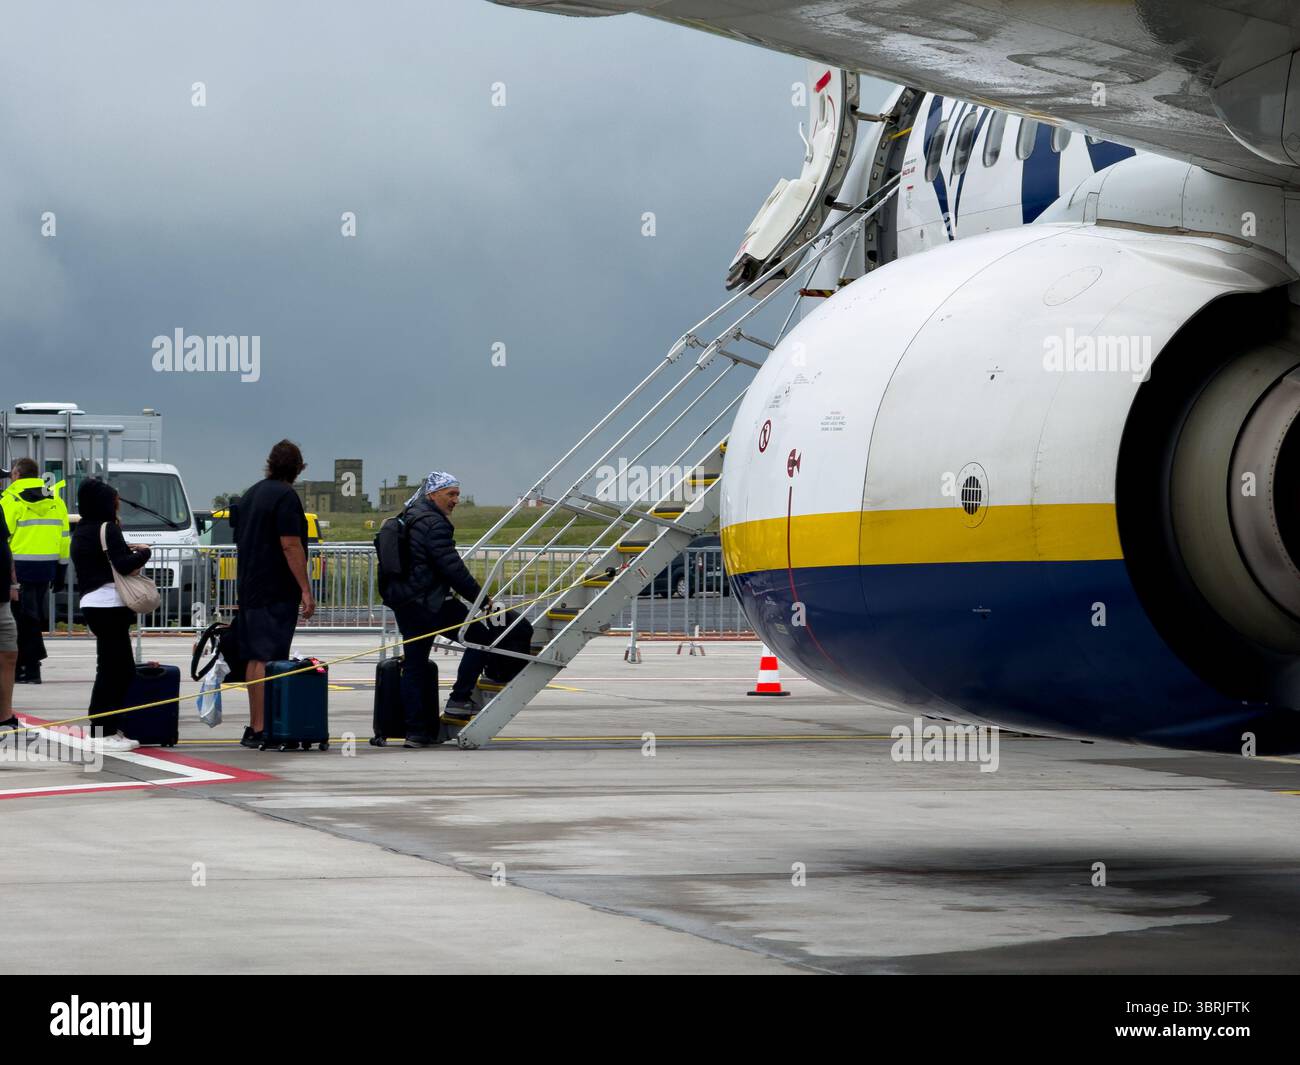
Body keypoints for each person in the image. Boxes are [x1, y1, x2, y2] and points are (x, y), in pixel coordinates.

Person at [381, 471, 491, 748]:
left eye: (457, 494)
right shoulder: (434, 524)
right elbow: (451, 567)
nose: (456, 500)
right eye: (450, 494)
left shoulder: (409, 516)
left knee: (415, 666)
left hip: (406, 603)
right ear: (433, 494)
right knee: (481, 636)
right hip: (431, 603)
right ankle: (459, 698)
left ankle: (416, 732)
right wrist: (481, 598)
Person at [231, 440, 315, 749]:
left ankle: (256, 724)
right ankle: (264, 726)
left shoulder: (252, 494)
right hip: (275, 589)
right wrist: (305, 589)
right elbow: (290, 543)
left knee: (256, 656)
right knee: (271, 657)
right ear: (297, 468)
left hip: (251, 586)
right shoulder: (286, 497)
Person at [69, 478, 148, 751]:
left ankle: (106, 727)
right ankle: (102, 731)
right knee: (118, 670)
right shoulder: (108, 529)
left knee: (112, 666)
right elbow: (124, 565)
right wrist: (144, 554)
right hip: (110, 605)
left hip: (92, 604)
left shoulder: (81, 531)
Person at [0, 457, 71, 685]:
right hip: (47, 568)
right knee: (31, 618)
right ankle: (29, 667)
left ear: (17, 475)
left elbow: (3, 536)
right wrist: (62, 569)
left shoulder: (10, 499)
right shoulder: (55, 500)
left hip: (18, 568)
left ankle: (29, 668)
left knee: (21, 620)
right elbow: (64, 538)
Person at [0, 474, 20, 735]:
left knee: (9, 654)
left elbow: (4, 546)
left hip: (2, 598)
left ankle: (5, 718)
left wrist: (13, 584)